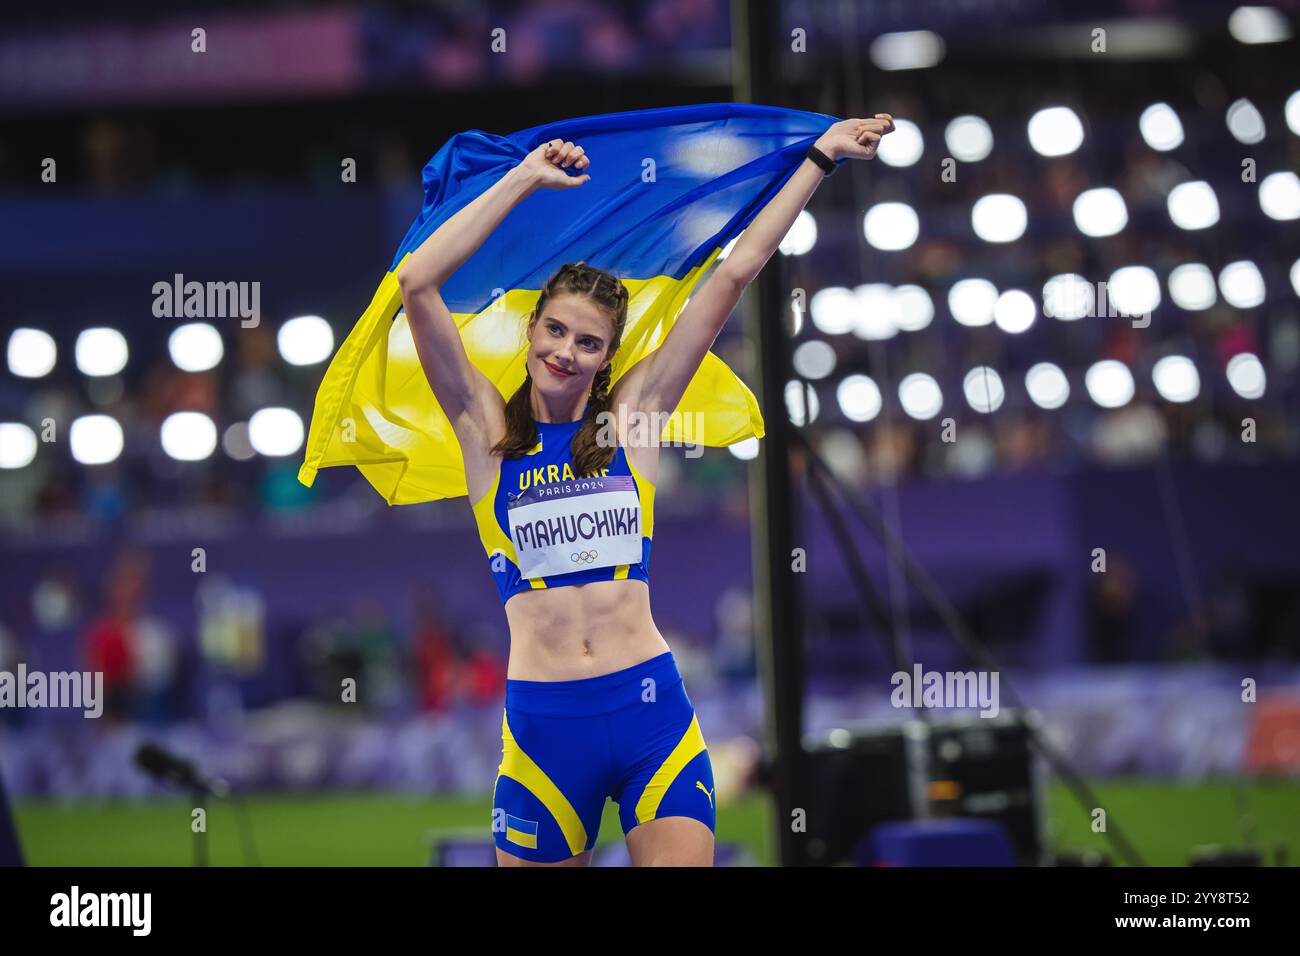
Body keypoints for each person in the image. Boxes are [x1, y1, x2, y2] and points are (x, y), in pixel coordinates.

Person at [398, 113, 893, 866]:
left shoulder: (636, 416)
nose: (566, 353)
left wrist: (821, 157)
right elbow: (417, 281)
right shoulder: (483, 429)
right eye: (557, 331)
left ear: (608, 356)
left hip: (650, 715)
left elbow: (734, 272)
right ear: (532, 327)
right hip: (544, 730)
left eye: (588, 342)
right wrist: (523, 178)